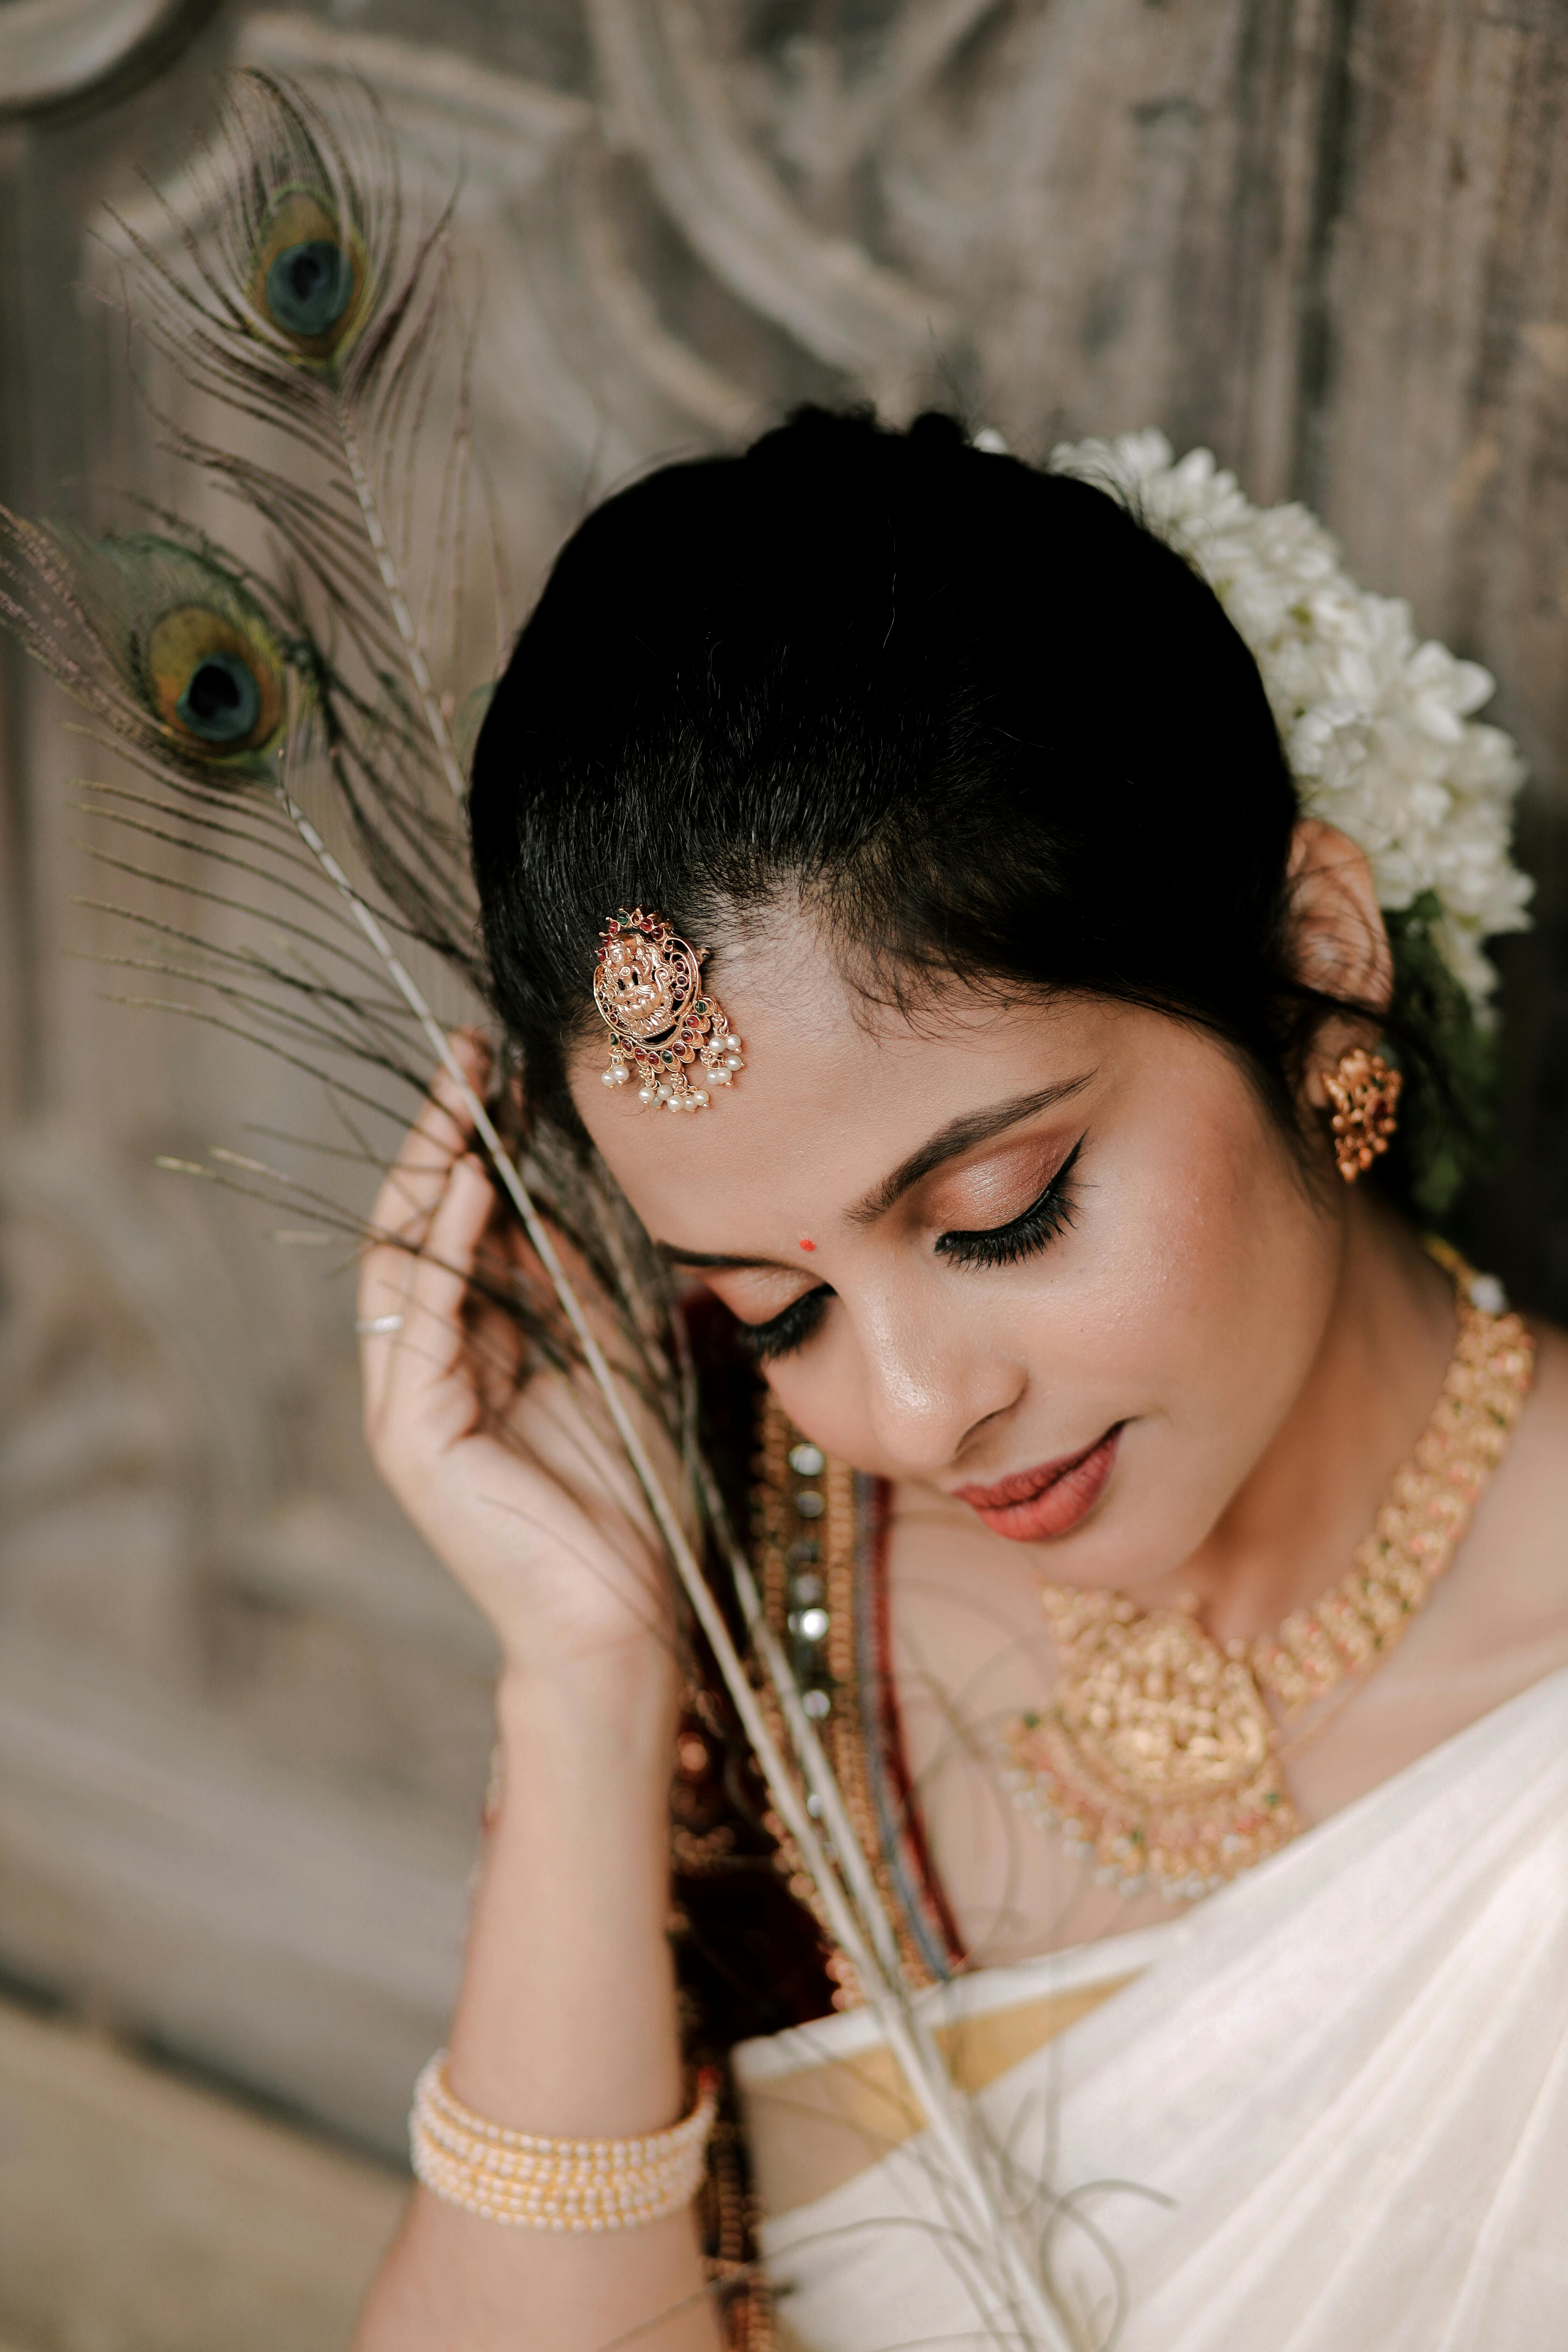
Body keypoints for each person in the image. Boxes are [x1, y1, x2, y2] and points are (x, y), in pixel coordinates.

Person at [350, 409, 1568, 2352]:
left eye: (1000, 1211)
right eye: (770, 1304)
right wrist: (583, 1689)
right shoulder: (747, 1547)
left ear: (1320, 953)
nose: (908, 1414)